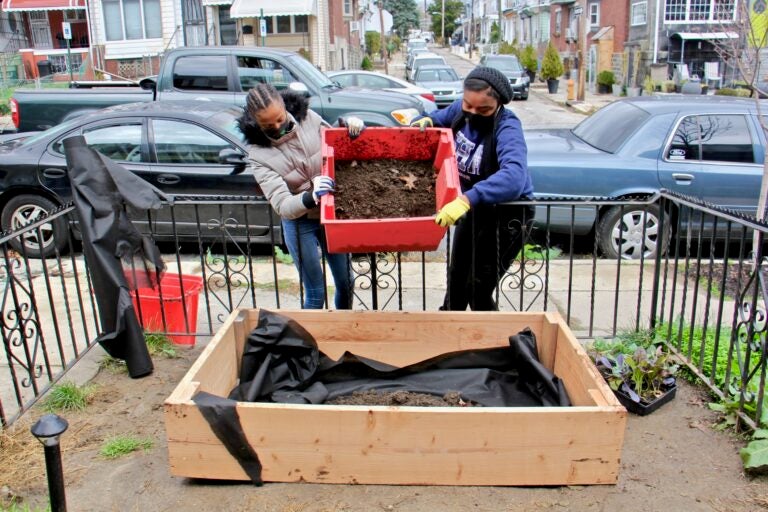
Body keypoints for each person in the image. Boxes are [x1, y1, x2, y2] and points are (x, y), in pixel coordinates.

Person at [411, 66, 535, 311]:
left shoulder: (507, 127)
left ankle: (494, 344)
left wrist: (466, 199)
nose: (472, 113)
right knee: (456, 278)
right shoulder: (460, 110)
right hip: (474, 208)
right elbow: (438, 119)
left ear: (497, 105)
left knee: (477, 288)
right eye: (468, 105)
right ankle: (448, 336)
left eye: (483, 109)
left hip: (508, 215)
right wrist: (424, 121)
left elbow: (514, 177)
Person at [240, 83, 364, 309]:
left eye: (280, 118)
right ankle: (311, 343)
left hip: (330, 217)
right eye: (268, 125)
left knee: (346, 282)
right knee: (315, 291)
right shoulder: (258, 155)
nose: (277, 127)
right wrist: (310, 196)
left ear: (285, 106)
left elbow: (336, 145)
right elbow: (282, 204)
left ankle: (342, 331)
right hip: (300, 223)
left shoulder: (309, 119)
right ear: (255, 121)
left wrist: (349, 128)